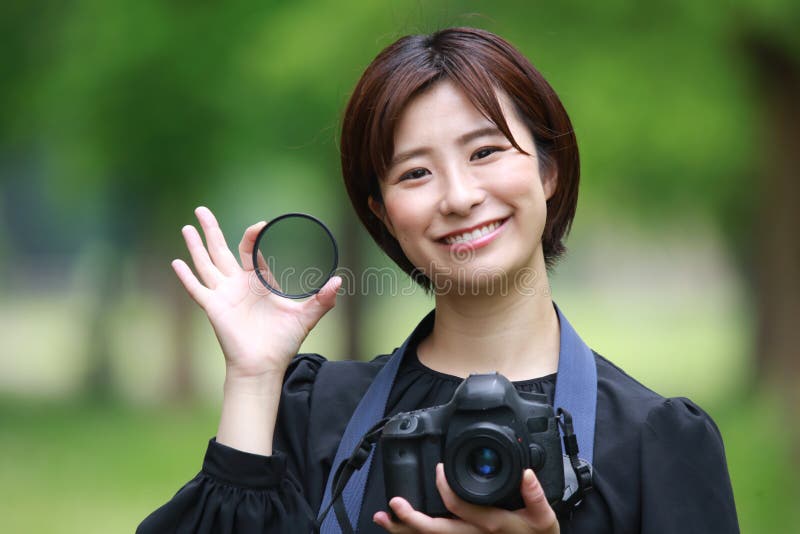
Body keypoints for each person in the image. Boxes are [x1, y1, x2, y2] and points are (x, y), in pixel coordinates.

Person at [137, 27, 739, 533]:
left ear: (548, 169)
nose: (458, 197)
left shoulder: (654, 444)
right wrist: (253, 376)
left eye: (485, 152)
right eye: (416, 172)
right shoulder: (316, 413)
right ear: (382, 213)